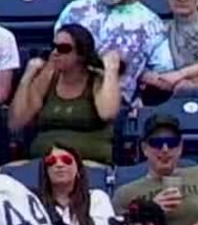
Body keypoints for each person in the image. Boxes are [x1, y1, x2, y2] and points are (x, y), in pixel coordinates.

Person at [9, 25, 121, 164]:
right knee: (10, 169)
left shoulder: (96, 80)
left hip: (87, 163)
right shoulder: (47, 78)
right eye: (53, 47)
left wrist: (111, 70)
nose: (55, 53)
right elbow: (17, 122)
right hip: (44, 163)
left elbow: (108, 113)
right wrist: (27, 77)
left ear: (81, 54)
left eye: (63, 49)